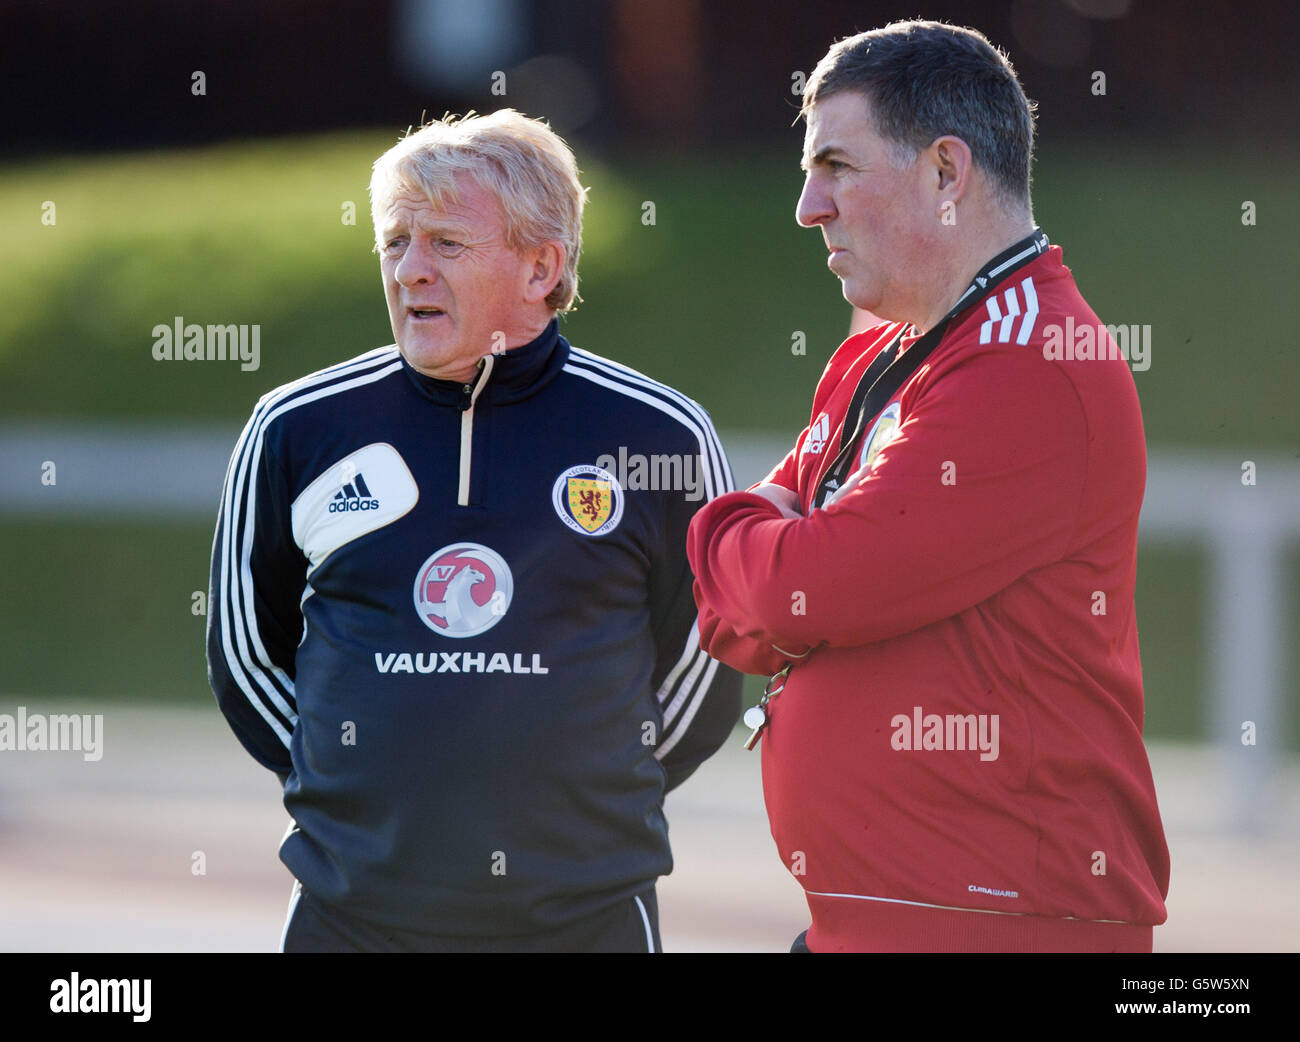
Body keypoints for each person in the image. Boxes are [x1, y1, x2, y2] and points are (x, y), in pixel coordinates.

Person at [207, 109, 741, 952]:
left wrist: (586, 804)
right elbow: (245, 654)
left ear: (542, 267)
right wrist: (356, 798)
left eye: (446, 244)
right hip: (355, 918)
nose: (410, 270)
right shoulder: (296, 428)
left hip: (583, 918)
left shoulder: (659, 436)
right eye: (395, 242)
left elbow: (705, 663)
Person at [686, 20, 1170, 952]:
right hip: (882, 922)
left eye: (836, 165)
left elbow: (805, 586)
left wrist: (728, 534)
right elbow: (739, 624)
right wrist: (766, 553)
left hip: (1000, 928)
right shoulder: (884, 348)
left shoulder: (1031, 360)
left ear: (947, 175)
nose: (806, 206)